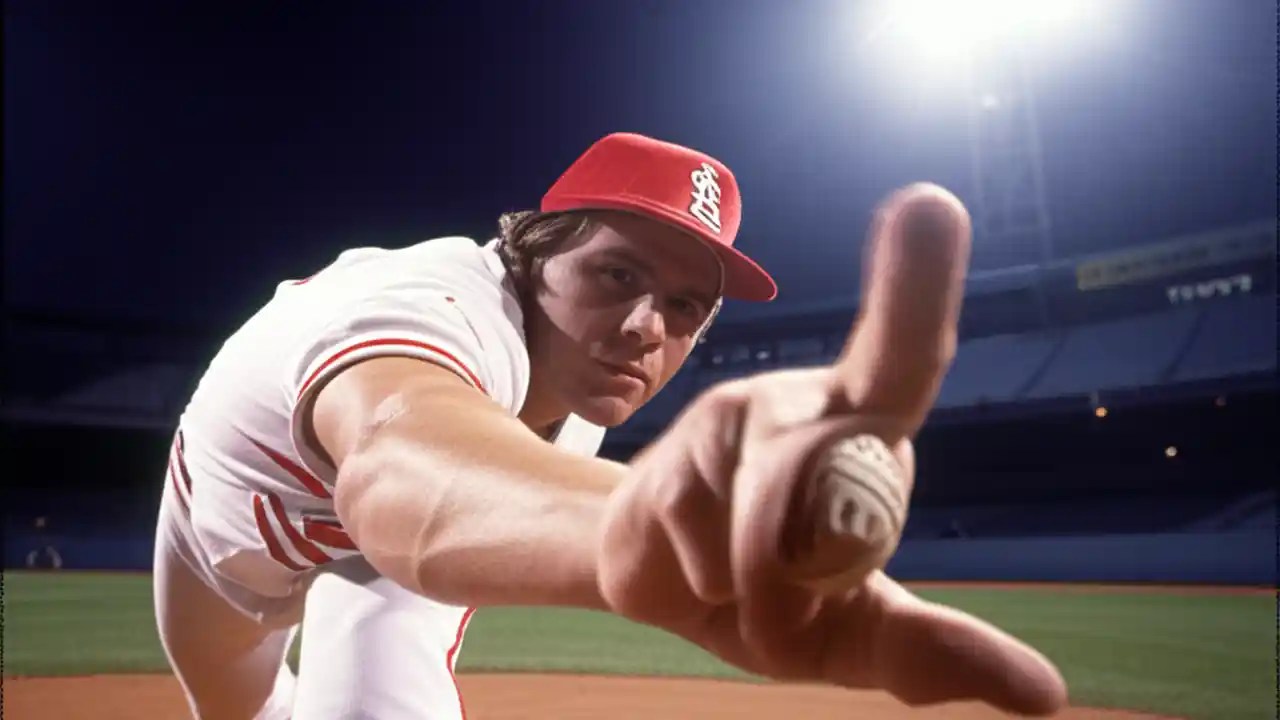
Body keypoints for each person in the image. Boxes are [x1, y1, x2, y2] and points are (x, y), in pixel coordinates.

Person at [151, 131, 1066, 719]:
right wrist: (632, 521)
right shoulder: (433, 302)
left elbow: (451, 512)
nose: (648, 329)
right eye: (619, 276)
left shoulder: (578, 403)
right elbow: (401, 463)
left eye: (684, 306)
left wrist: (627, 532)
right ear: (531, 251)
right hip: (226, 541)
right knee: (237, 707)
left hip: (393, 561)